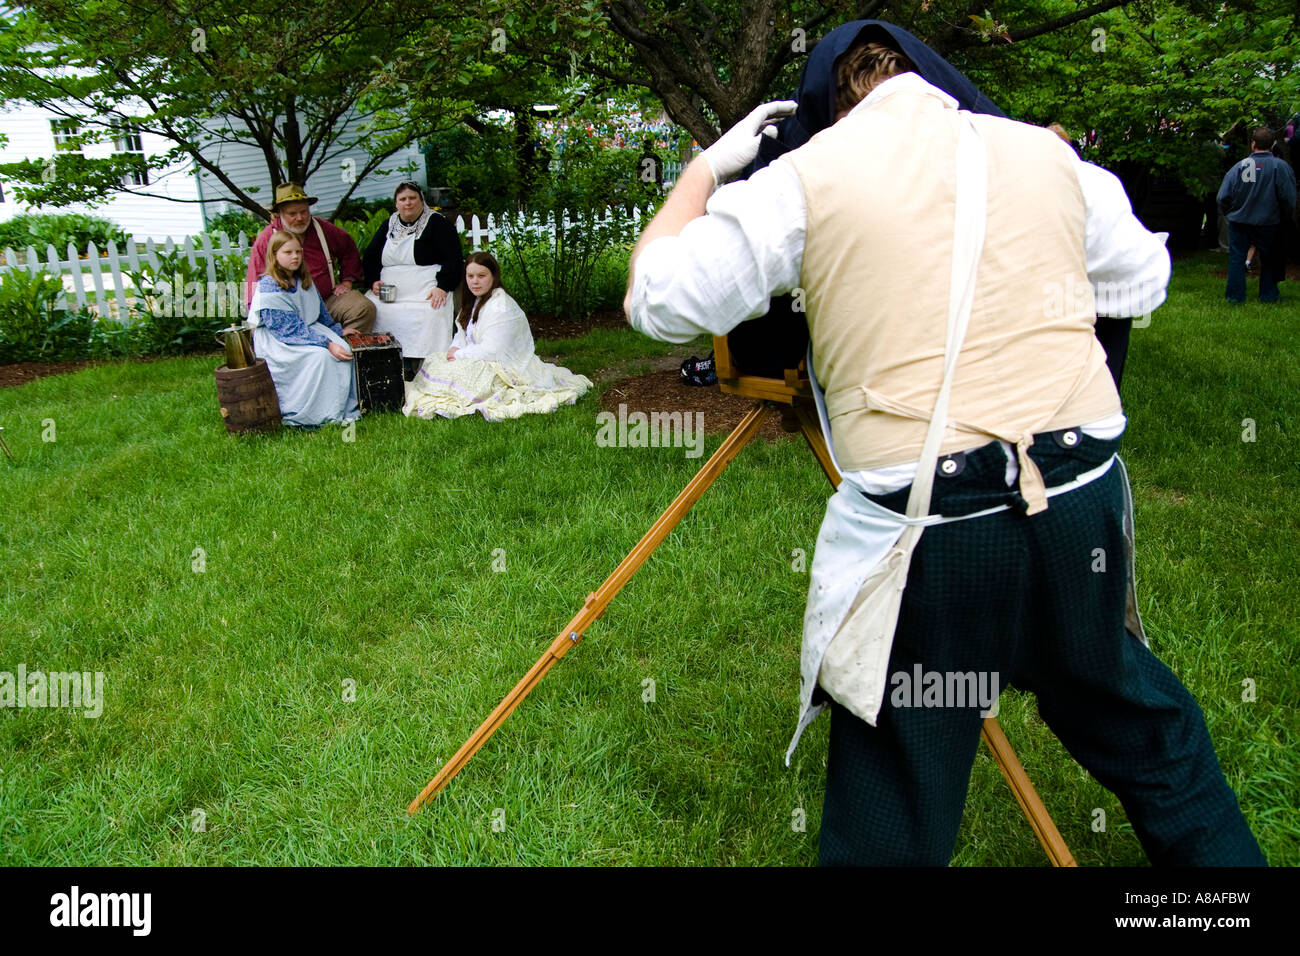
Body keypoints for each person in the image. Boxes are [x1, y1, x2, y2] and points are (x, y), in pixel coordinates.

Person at [624, 21, 1266, 867]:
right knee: (1139, 723)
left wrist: (706, 169)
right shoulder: (1048, 157)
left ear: (829, 106)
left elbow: (657, 302)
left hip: (938, 534)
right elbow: (1142, 279)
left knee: (899, 786)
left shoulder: (803, 179)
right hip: (1080, 500)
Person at [403, 252, 592, 421]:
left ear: (493, 277)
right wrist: (454, 349)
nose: (475, 281)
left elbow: (493, 350)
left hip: (502, 366)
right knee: (434, 361)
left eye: (481, 276)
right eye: (470, 276)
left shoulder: (501, 306)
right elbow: (462, 333)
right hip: (476, 357)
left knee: (459, 375)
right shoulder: (472, 302)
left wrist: (459, 355)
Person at [248, 230, 359, 427]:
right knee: (321, 357)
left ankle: (339, 408)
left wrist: (336, 331)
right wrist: (327, 343)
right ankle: (313, 414)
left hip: (308, 330)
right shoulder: (269, 286)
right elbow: (288, 331)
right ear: (274, 255)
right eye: (288, 252)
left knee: (344, 349)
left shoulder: (302, 280)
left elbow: (321, 312)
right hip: (281, 340)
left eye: (298, 252)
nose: (295, 257)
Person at [362, 181, 464, 380]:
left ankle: (428, 367)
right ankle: (391, 363)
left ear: (421, 200)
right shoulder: (389, 224)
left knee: (432, 312)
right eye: (402, 199)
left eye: (412, 198)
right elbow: (371, 255)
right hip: (390, 292)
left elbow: (453, 258)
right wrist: (373, 281)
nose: (407, 203)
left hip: (427, 288)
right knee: (371, 308)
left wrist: (442, 287)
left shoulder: (438, 223)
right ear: (396, 203)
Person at [244, 182, 377, 334]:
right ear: (280, 213)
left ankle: (346, 351)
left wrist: (347, 281)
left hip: (327, 302)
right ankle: (322, 347)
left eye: (304, 211)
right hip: (289, 310)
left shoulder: (323, 229)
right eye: (292, 214)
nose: (300, 218)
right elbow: (253, 280)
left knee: (363, 308)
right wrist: (255, 315)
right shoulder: (267, 239)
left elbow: (349, 249)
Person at [1217, 127, 1297, 303]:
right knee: (1269, 258)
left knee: (1237, 258)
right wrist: (1284, 216)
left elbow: (1223, 196)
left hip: (1240, 221)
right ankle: (1268, 295)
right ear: (1273, 144)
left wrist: (1230, 212)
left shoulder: (1240, 167)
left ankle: (1235, 297)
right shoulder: (1280, 167)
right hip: (1269, 221)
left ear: (1253, 144)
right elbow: (1288, 198)